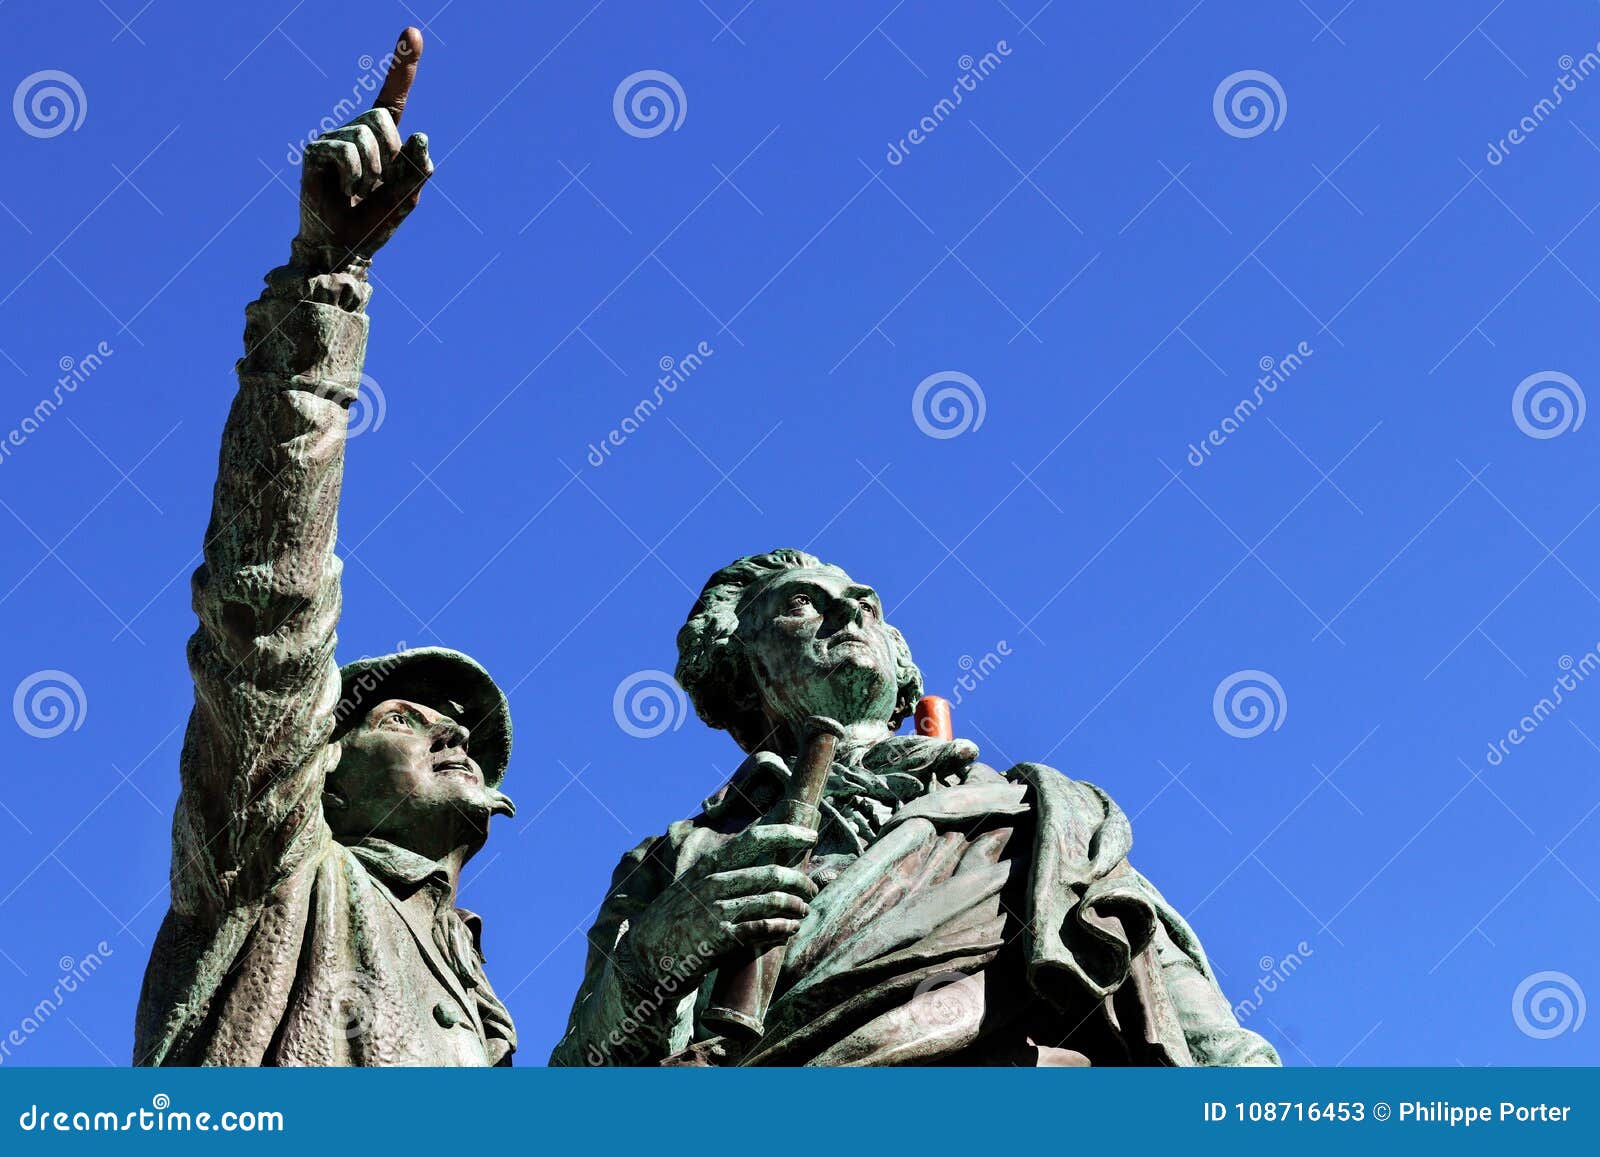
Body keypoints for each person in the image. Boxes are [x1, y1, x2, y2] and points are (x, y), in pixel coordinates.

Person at [133, 29, 519, 1066]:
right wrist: (326, 281)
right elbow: (269, 613)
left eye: (462, 727)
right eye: (406, 713)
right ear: (321, 773)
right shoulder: (277, 865)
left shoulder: (485, 999)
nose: (453, 730)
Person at [550, 549, 1279, 1066]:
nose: (850, 613)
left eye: (865, 604)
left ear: (900, 662)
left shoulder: (1039, 812)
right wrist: (651, 959)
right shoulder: (678, 858)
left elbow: (1199, 1031)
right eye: (804, 603)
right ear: (743, 673)